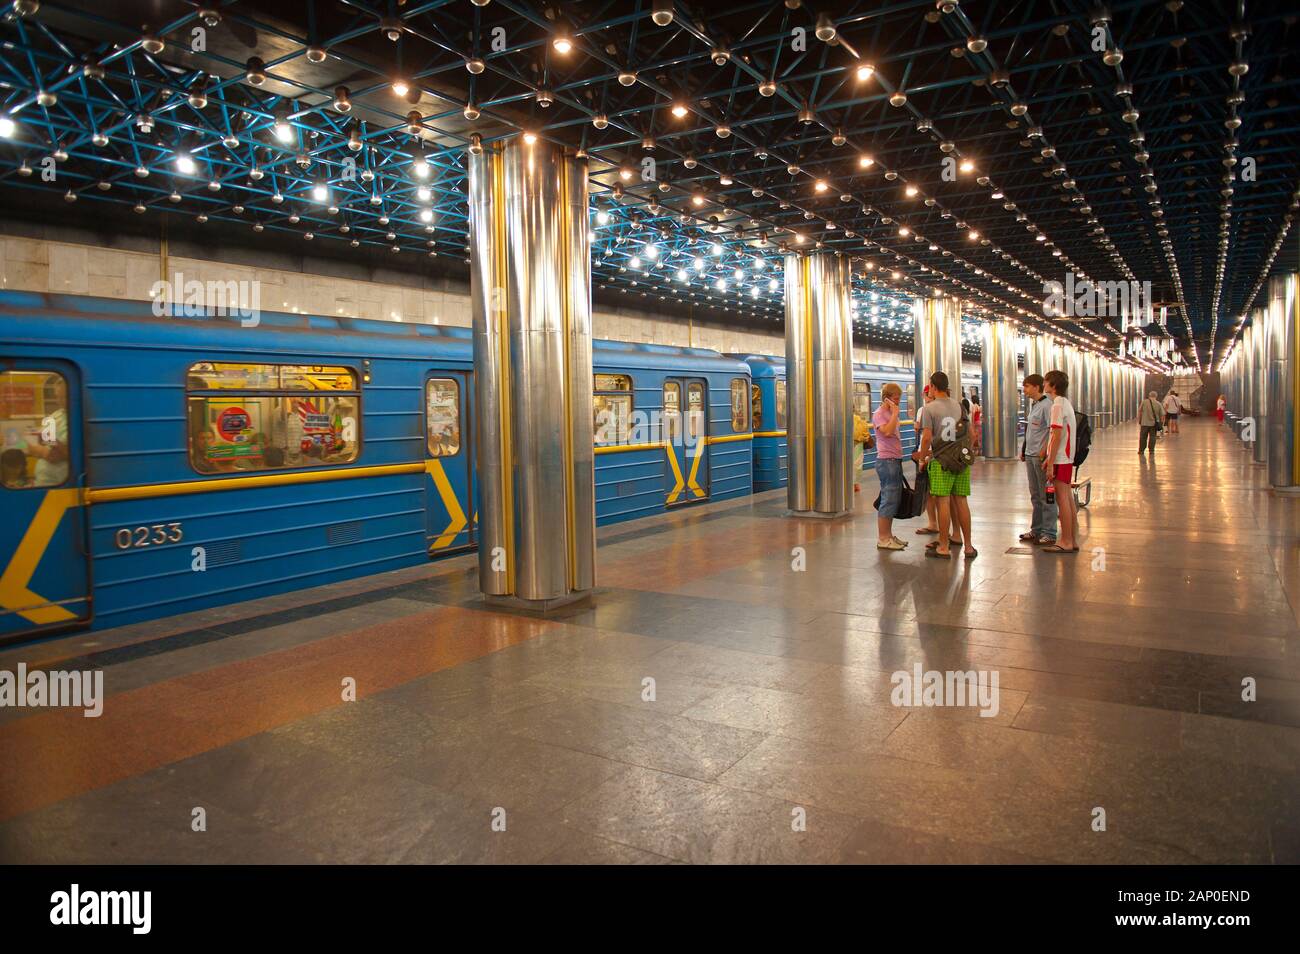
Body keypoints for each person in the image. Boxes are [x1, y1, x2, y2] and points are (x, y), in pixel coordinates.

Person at [914, 371, 974, 560]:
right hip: (961, 461)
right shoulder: (959, 405)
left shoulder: (929, 409)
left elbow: (926, 439)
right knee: (961, 501)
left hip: (941, 461)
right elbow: (971, 434)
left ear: (932, 386)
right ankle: (969, 547)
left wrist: (922, 460)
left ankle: (944, 546)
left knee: (943, 501)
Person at [1041, 369, 1078, 553]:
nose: (1044, 384)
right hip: (1066, 457)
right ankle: (1072, 538)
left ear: (1053, 385)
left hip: (1060, 458)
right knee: (1068, 498)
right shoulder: (1066, 403)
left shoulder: (1057, 405)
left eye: (1046, 381)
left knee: (1061, 499)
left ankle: (1066, 541)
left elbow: (1056, 435)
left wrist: (1050, 460)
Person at [1019, 374, 1056, 546]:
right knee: (1035, 495)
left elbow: (1052, 431)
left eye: (1026, 386)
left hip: (1040, 457)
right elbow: (1031, 430)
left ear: (1036, 387)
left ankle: (1049, 532)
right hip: (1031, 455)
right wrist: (1024, 449)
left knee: (1045, 496)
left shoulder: (1048, 406)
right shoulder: (1034, 406)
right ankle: (1037, 529)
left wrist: (1045, 452)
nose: (1024, 390)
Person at [873, 383, 907, 550]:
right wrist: (894, 414)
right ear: (886, 398)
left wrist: (893, 413)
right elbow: (887, 431)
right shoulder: (879, 414)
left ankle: (889, 535)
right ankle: (883, 538)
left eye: (899, 398)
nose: (898, 401)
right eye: (895, 398)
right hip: (887, 461)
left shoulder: (890, 412)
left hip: (895, 459)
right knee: (887, 500)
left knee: (893, 499)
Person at [24, 376, 69, 487]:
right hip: (42, 480)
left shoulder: (79, 418)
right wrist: (44, 450)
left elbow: (64, 454)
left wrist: (47, 444)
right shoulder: (56, 415)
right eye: (57, 397)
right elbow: (30, 442)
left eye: (63, 397)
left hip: (63, 483)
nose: (59, 401)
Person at [913, 385, 941, 537]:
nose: (928, 398)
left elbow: (925, 434)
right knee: (928, 491)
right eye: (927, 395)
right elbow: (920, 430)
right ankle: (933, 523)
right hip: (925, 452)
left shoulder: (933, 409)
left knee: (938, 493)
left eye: (930, 395)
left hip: (933, 453)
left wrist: (924, 457)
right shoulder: (922, 410)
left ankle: (941, 528)